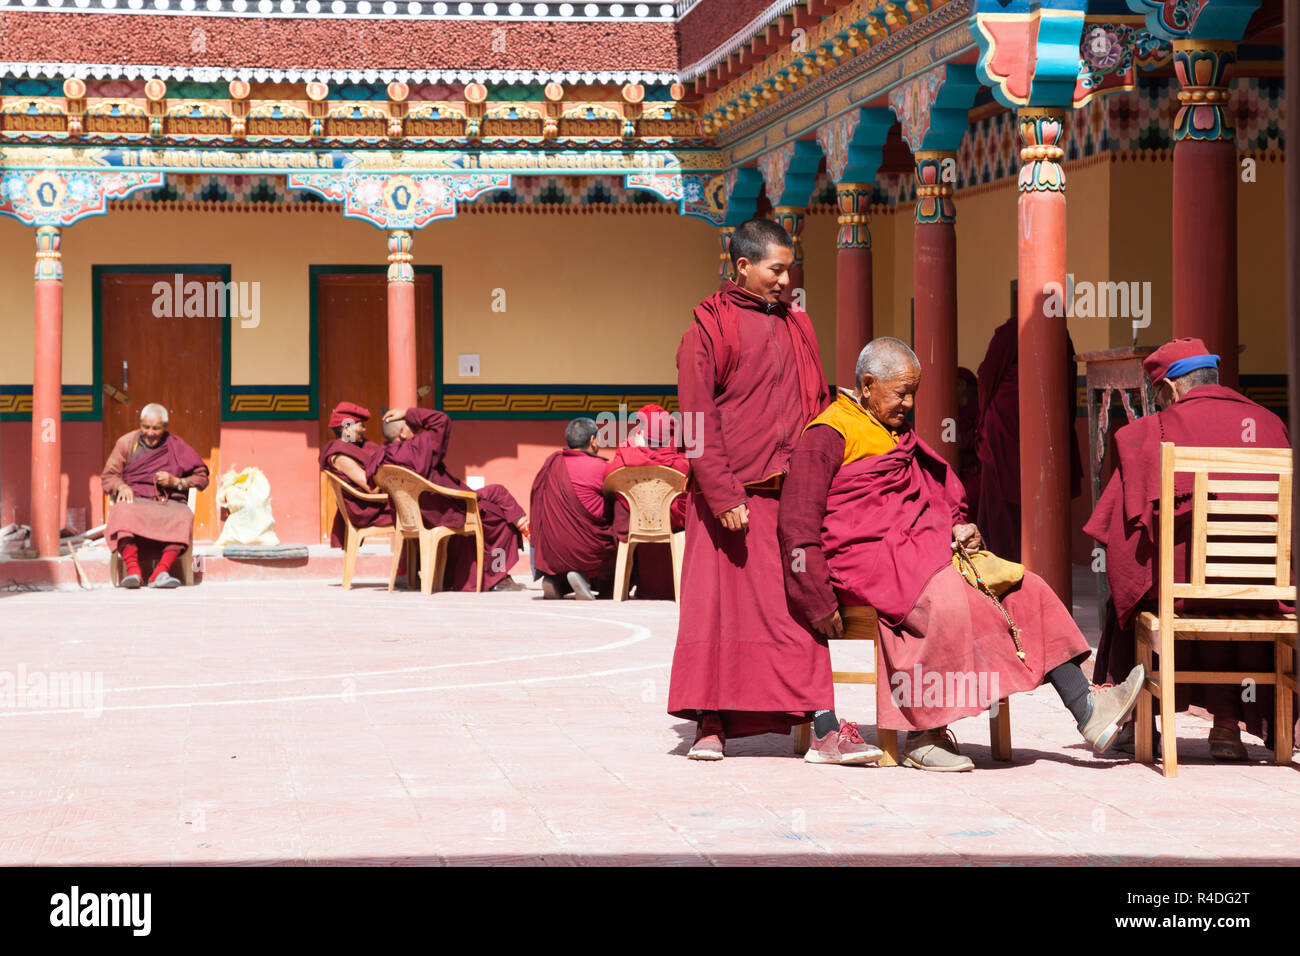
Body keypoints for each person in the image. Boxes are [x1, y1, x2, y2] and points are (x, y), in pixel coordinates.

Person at [779, 337, 1144, 771]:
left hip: (918, 551)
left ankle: (1088, 707)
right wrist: (814, 597)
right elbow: (797, 521)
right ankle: (923, 736)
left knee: (1025, 586)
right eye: (901, 392)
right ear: (868, 384)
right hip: (865, 561)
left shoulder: (893, 432)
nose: (910, 403)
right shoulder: (829, 432)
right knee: (946, 596)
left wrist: (959, 525)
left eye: (913, 391)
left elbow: (940, 494)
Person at [667, 217, 880, 766]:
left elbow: (815, 403)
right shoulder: (708, 327)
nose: (787, 280)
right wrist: (722, 492)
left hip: (790, 499)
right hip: (729, 504)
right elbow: (695, 419)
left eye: (789, 270)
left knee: (800, 611)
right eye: (776, 269)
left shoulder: (798, 325)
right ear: (742, 267)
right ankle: (711, 725)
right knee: (718, 617)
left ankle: (826, 726)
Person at [1084, 337, 1293, 759]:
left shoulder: (1146, 435)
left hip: (1179, 595)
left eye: (1157, 395)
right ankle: (1226, 728)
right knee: (1234, 594)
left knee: (1137, 586)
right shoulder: (1270, 424)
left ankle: (1137, 721)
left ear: (1172, 389)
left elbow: (1122, 538)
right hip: (1263, 589)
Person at [368, 406, 528, 592]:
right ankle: (498, 576)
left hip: (420, 514)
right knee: (501, 518)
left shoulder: (381, 456)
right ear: (403, 432)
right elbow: (441, 420)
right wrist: (408, 412)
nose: (418, 431)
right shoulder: (417, 448)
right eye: (413, 427)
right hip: (448, 510)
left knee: (498, 493)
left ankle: (525, 531)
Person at [975, 313, 1083, 560]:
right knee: (1011, 510)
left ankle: (1015, 566)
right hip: (1009, 430)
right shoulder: (1017, 330)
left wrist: (984, 419)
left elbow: (987, 376)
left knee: (1017, 511)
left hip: (1013, 429)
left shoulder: (1049, 332)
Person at [102, 403, 209, 589]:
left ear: (165, 427)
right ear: (140, 423)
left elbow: (202, 477)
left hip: (166, 502)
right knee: (121, 511)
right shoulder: (126, 443)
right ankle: (134, 571)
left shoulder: (176, 446)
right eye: (146, 427)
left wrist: (177, 482)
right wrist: (121, 486)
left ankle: (161, 572)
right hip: (135, 501)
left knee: (183, 515)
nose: (150, 432)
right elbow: (108, 476)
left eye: (156, 428)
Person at [603, 404, 690, 600]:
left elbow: (609, 482)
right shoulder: (679, 464)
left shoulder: (626, 457)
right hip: (670, 524)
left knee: (620, 510)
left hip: (636, 522)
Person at [530, 417, 617, 600]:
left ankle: (557, 581)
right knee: (619, 530)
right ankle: (583, 577)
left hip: (552, 551)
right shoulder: (601, 467)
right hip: (586, 549)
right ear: (593, 440)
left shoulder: (552, 463)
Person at [318, 400, 392, 548]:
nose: (364, 430)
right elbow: (371, 487)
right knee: (416, 510)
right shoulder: (341, 455)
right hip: (366, 510)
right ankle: (407, 566)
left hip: (375, 504)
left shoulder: (357, 447)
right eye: (361, 425)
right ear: (347, 428)